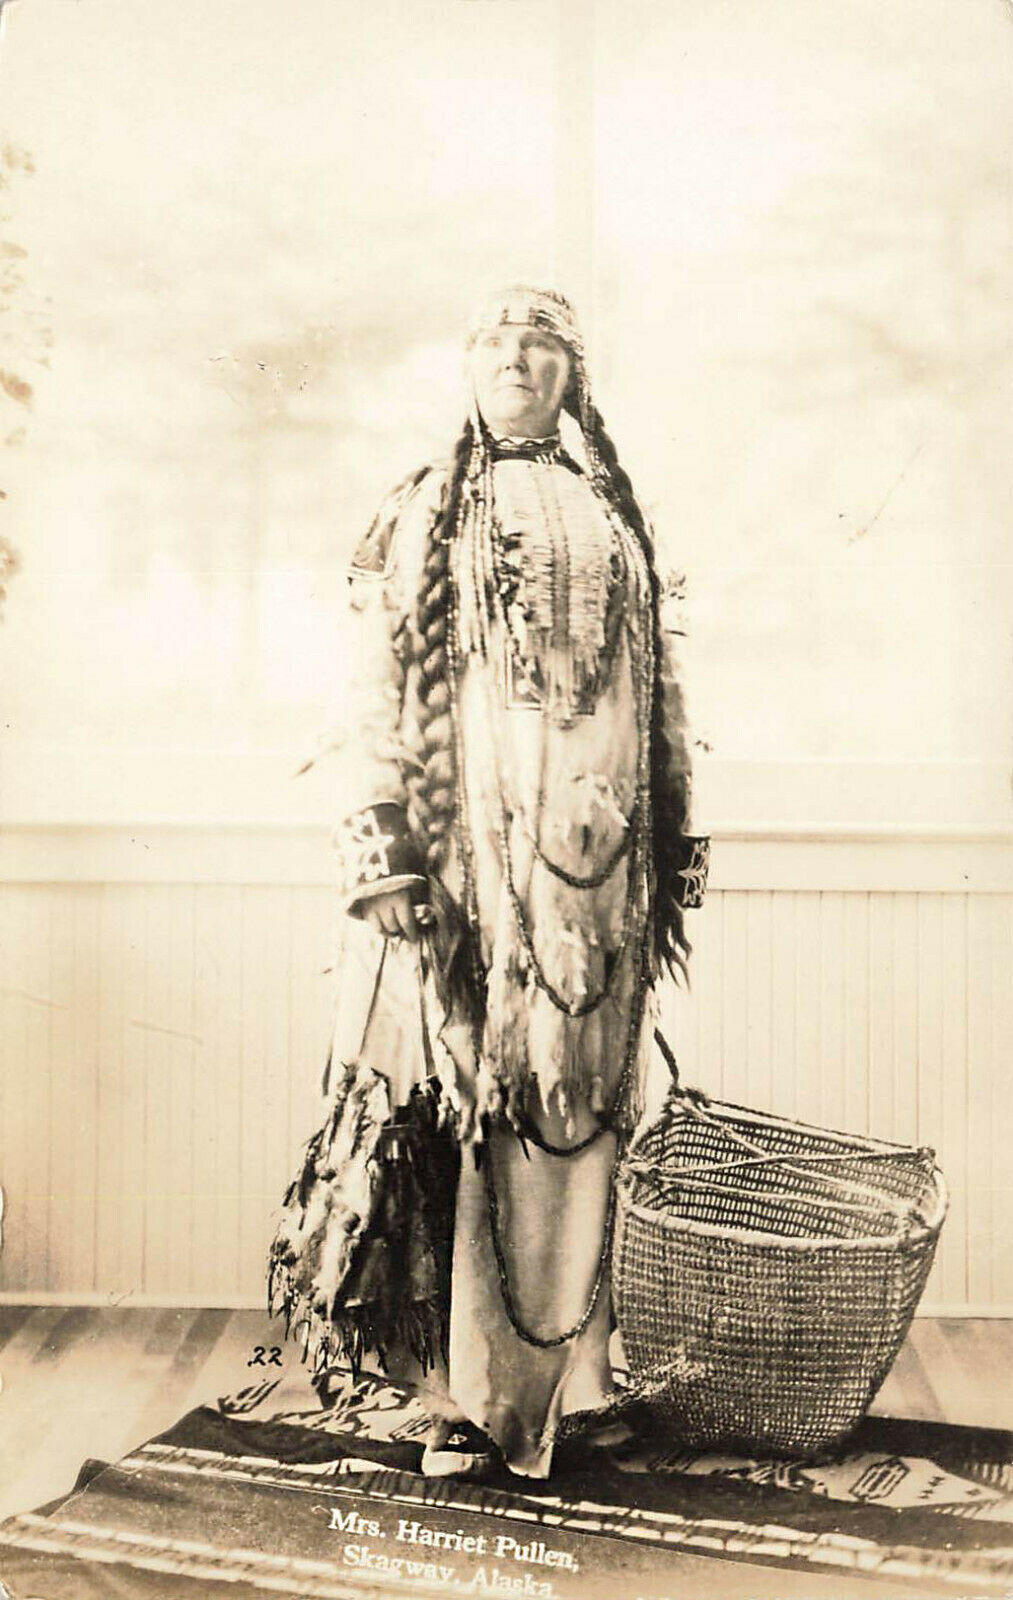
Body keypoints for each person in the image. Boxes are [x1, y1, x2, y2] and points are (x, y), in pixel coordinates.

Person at [268, 285, 709, 1479]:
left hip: (597, 870)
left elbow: (660, 689)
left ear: (576, 374)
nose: (520, 358)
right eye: (498, 341)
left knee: (585, 1106)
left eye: (545, 343)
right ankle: (462, 1400)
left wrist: (669, 840)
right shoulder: (423, 512)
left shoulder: (613, 516)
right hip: (472, 874)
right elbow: (366, 687)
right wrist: (385, 856)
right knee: (474, 1104)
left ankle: (581, 1383)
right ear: (465, 365)